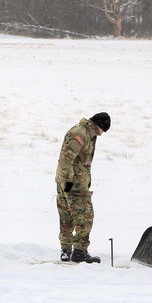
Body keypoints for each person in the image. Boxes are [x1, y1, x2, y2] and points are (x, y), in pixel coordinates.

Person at [55, 112, 110, 263]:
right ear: (99, 126)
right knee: (85, 216)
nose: (101, 134)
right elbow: (67, 156)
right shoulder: (81, 133)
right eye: (103, 131)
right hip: (74, 182)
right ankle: (79, 251)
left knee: (67, 216)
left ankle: (66, 250)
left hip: (69, 180)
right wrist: (69, 181)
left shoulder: (84, 132)